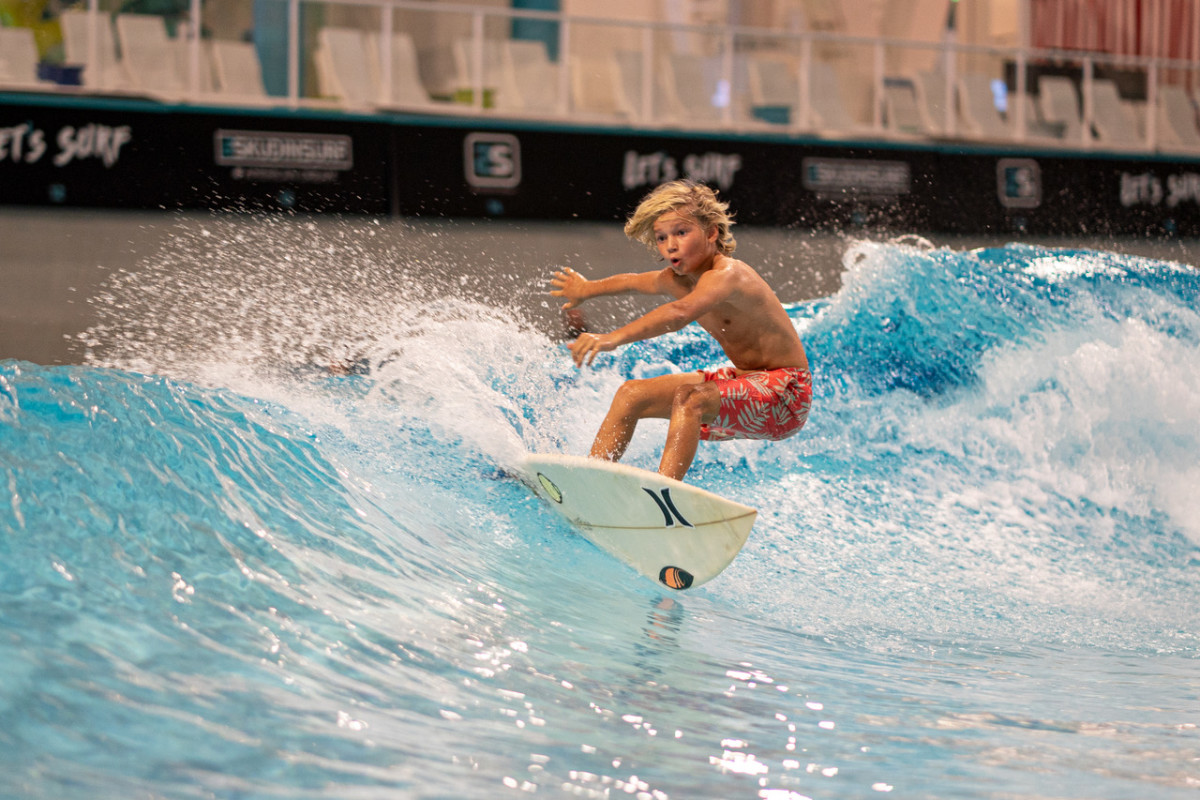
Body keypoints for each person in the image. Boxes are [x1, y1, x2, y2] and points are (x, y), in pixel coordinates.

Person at [549, 179, 812, 481]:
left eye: (681, 232)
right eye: (661, 238)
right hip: (746, 380)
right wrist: (586, 288)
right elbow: (632, 281)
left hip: (788, 394)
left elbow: (679, 313)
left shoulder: (727, 275)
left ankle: (664, 494)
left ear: (712, 232)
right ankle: (591, 481)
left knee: (691, 398)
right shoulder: (676, 279)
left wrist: (612, 338)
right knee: (630, 394)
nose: (670, 245)